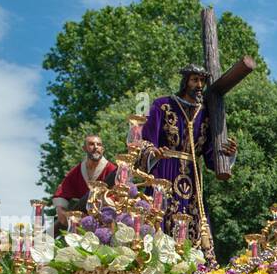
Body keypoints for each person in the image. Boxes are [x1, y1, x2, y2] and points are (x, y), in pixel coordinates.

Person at [138, 64, 238, 251]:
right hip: (164, 171)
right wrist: (153, 152)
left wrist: (228, 155)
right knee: (160, 218)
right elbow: (144, 140)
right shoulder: (163, 105)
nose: (199, 85)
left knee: (194, 224)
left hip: (192, 179)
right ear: (185, 82)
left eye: (202, 81)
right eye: (194, 80)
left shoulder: (206, 114)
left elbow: (209, 156)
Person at [51, 133, 117, 225]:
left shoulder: (112, 170)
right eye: (91, 144)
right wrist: (61, 210)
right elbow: (63, 191)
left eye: (99, 144)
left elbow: (119, 195)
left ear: (103, 149)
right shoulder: (77, 171)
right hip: (82, 223)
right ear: (84, 148)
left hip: (107, 221)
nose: (95, 147)